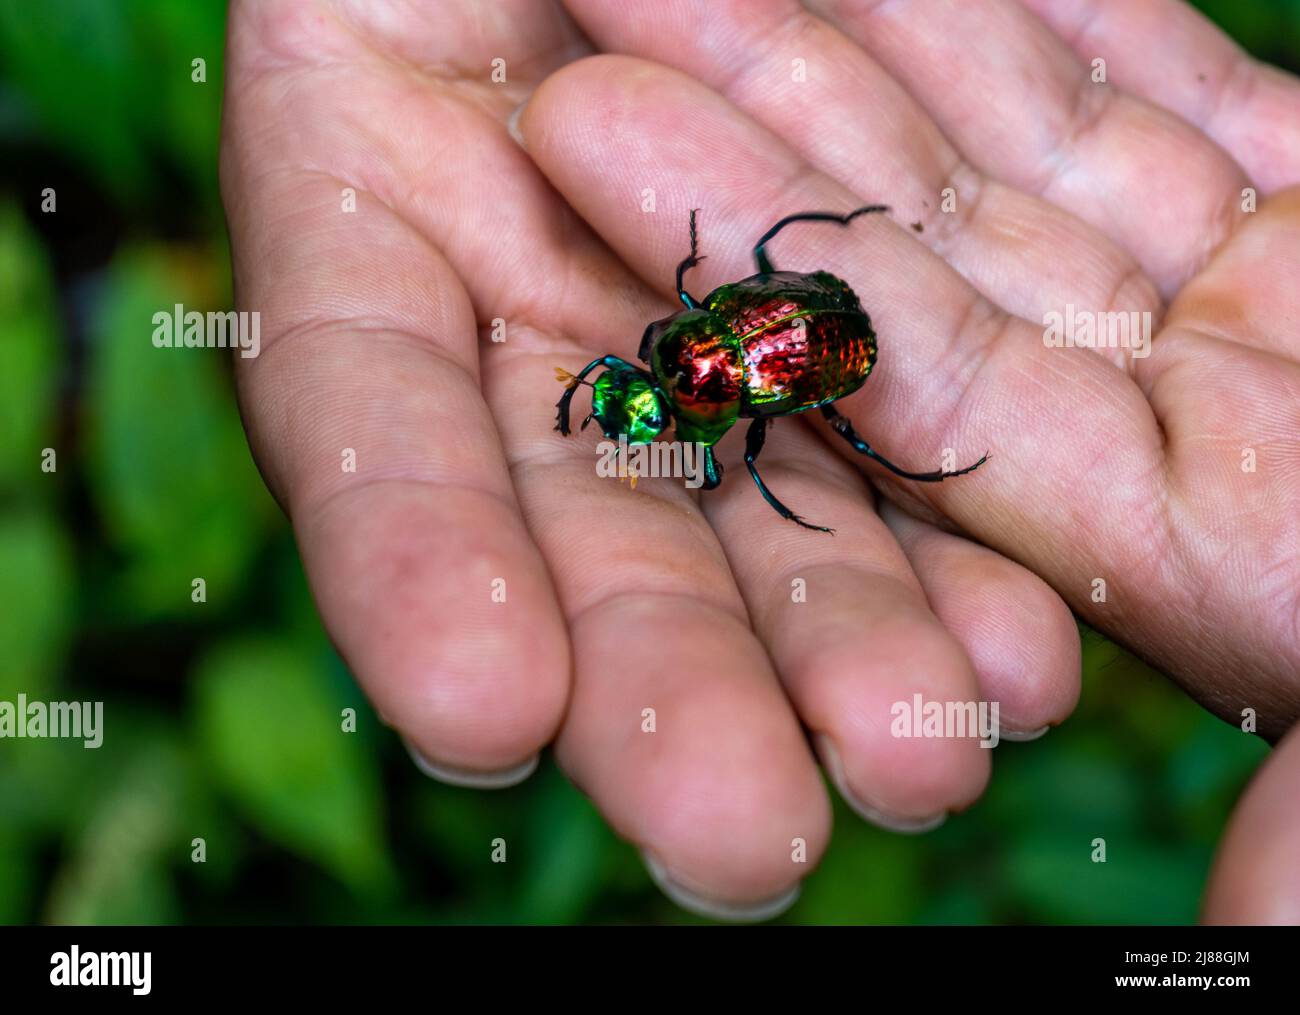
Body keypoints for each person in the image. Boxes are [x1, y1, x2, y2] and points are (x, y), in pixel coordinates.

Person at [219, 0, 1300, 921]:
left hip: (820, 341)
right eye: (636, 409)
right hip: (791, 337)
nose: (636, 409)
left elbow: (710, 404)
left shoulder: (709, 373)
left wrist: (681, 434)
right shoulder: (683, 357)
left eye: (641, 408)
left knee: (806, 403)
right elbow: (667, 371)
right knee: (776, 311)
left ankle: (903, 468)